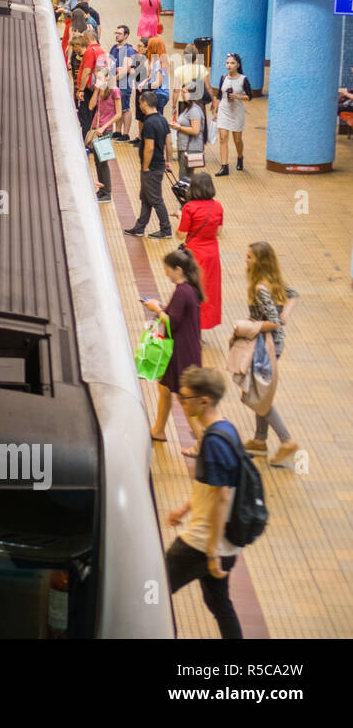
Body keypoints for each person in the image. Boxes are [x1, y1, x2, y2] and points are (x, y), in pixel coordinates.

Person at [163, 366, 243, 640]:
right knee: (219, 604)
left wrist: (211, 553)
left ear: (204, 400)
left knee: (152, 592)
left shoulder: (214, 441)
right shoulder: (226, 429)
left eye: (185, 398)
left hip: (201, 543)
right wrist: (184, 509)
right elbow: (208, 487)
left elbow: (222, 495)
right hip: (223, 545)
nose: (181, 403)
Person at [243, 242, 300, 467]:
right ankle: (259, 439)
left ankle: (286, 440)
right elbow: (293, 294)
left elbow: (273, 323)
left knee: (259, 395)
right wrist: (285, 312)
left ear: (260, 261)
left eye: (249, 257)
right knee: (261, 391)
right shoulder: (272, 281)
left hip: (264, 347)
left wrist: (248, 327)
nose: (245, 260)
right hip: (274, 346)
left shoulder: (260, 288)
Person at [144, 248, 204, 448]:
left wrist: (156, 309)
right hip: (184, 348)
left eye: (167, 269)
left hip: (180, 351)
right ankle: (159, 430)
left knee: (184, 396)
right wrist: (160, 307)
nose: (165, 273)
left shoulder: (182, 292)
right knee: (164, 389)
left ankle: (202, 442)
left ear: (178, 270)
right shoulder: (190, 289)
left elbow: (172, 323)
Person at [178, 172, 223, 331]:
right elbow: (218, 232)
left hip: (194, 253)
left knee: (192, 289)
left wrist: (179, 217)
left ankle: (191, 325)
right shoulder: (217, 206)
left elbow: (181, 235)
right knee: (209, 289)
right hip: (212, 253)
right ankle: (204, 323)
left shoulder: (189, 208)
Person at [125, 91, 173, 239]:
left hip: (151, 168)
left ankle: (166, 229)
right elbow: (169, 142)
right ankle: (140, 227)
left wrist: (145, 167)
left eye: (140, 103)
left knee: (155, 199)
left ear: (145, 104)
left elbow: (149, 147)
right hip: (159, 165)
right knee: (146, 197)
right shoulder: (163, 120)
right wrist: (168, 161)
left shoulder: (149, 124)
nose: (139, 105)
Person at [213, 52, 252, 175]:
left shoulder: (243, 79)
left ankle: (240, 157)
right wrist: (215, 111)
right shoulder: (223, 78)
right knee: (223, 138)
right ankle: (224, 166)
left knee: (237, 139)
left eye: (232, 63)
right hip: (224, 109)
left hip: (237, 111)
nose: (229, 65)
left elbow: (250, 96)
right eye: (227, 63)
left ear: (238, 65)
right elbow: (219, 95)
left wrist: (238, 96)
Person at [88, 67, 120, 203]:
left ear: (107, 78)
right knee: (97, 161)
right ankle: (101, 190)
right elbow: (91, 106)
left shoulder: (114, 91)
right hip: (96, 128)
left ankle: (107, 193)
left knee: (103, 161)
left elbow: (118, 114)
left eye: (100, 78)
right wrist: (96, 89)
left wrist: (104, 127)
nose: (98, 80)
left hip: (105, 130)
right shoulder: (99, 90)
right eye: (97, 78)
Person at [172, 83, 208, 181]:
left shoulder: (194, 110)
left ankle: (187, 196)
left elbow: (195, 130)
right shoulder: (187, 108)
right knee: (185, 176)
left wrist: (179, 128)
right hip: (184, 147)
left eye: (185, 93)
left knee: (185, 178)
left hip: (190, 149)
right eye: (182, 92)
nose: (183, 95)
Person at [74, 28, 106, 136]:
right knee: (92, 117)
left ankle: (86, 144)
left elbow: (86, 72)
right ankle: (89, 142)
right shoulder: (101, 50)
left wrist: (81, 90)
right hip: (97, 88)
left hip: (88, 89)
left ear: (87, 39)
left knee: (85, 118)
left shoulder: (89, 51)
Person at [110, 25, 138, 140]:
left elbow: (126, 69)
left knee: (125, 108)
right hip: (115, 83)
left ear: (126, 35)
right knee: (118, 108)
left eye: (119, 33)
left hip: (124, 84)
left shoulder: (129, 50)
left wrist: (114, 79)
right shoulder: (113, 48)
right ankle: (117, 131)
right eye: (116, 33)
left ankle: (126, 133)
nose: (117, 35)